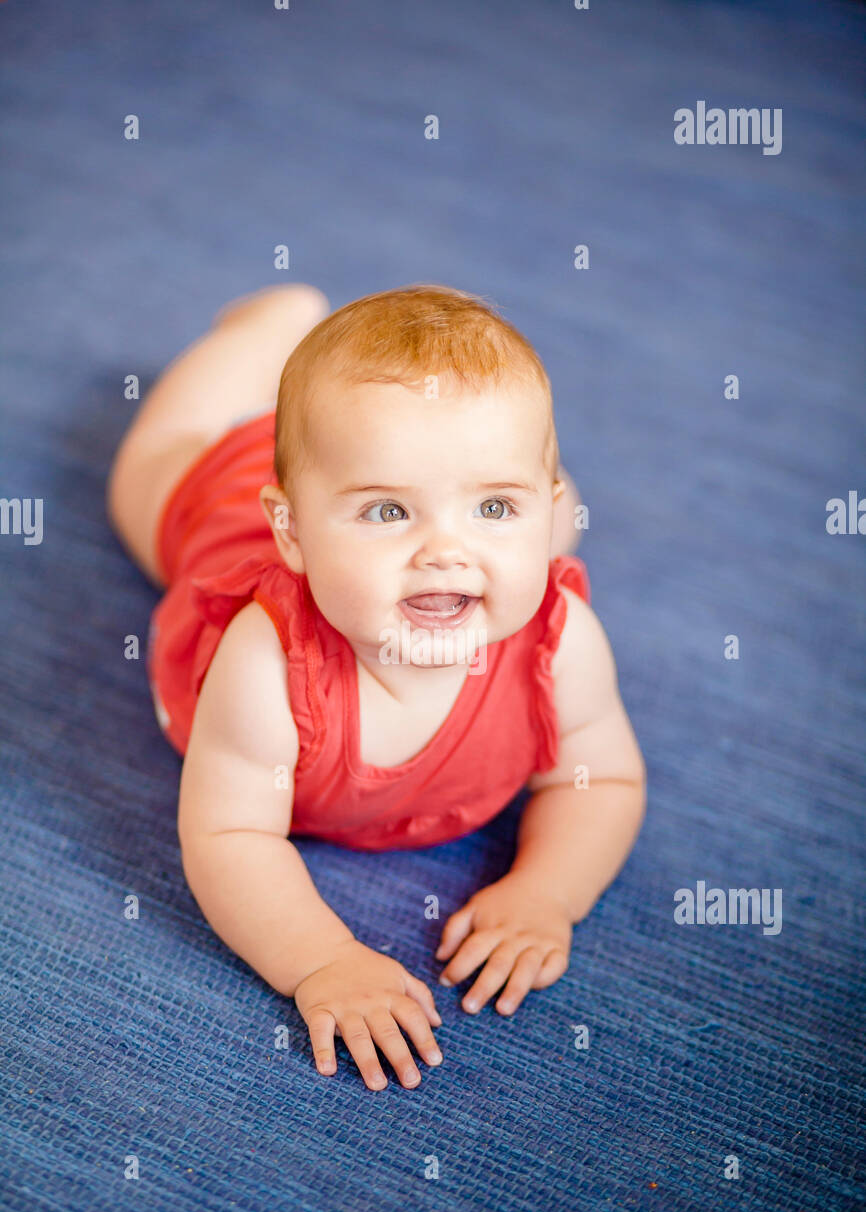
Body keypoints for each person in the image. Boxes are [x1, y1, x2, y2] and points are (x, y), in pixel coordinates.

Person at [106, 282, 646, 1092]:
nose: (444, 552)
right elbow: (230, 837)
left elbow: (602, 775)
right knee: (155, 468)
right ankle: (269, 330)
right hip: (223, 516)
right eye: (389, 513)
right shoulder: (264, 663)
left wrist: (547, 892)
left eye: (495, 506)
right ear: (293, 532)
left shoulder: (560, 640)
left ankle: (496, 482)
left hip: (413, 494)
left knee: (512, 511)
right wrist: (321, 960)